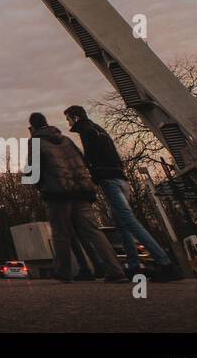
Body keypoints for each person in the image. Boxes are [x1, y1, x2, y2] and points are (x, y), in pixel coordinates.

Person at [64, 105, 183, 281]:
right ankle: (134, 266)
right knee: (121, 224)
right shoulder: (98, 129)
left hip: (109, 180)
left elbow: (90, 159)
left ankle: (165, 263)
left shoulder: (87, 132)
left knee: (129, 221)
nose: (68, 123)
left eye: (68, 119)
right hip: (119, 178)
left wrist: (90, 174)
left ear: (75, 117)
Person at [26, 112, 126, 283]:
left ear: (33, 127)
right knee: (93, 231)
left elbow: (33, 170)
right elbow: (82, 160)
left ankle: (64, 272)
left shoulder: (35, 142)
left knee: (61, 232)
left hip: (58, 192)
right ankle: (115, 270)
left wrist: (41, 185)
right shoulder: (65, 140)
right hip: (81, 191)